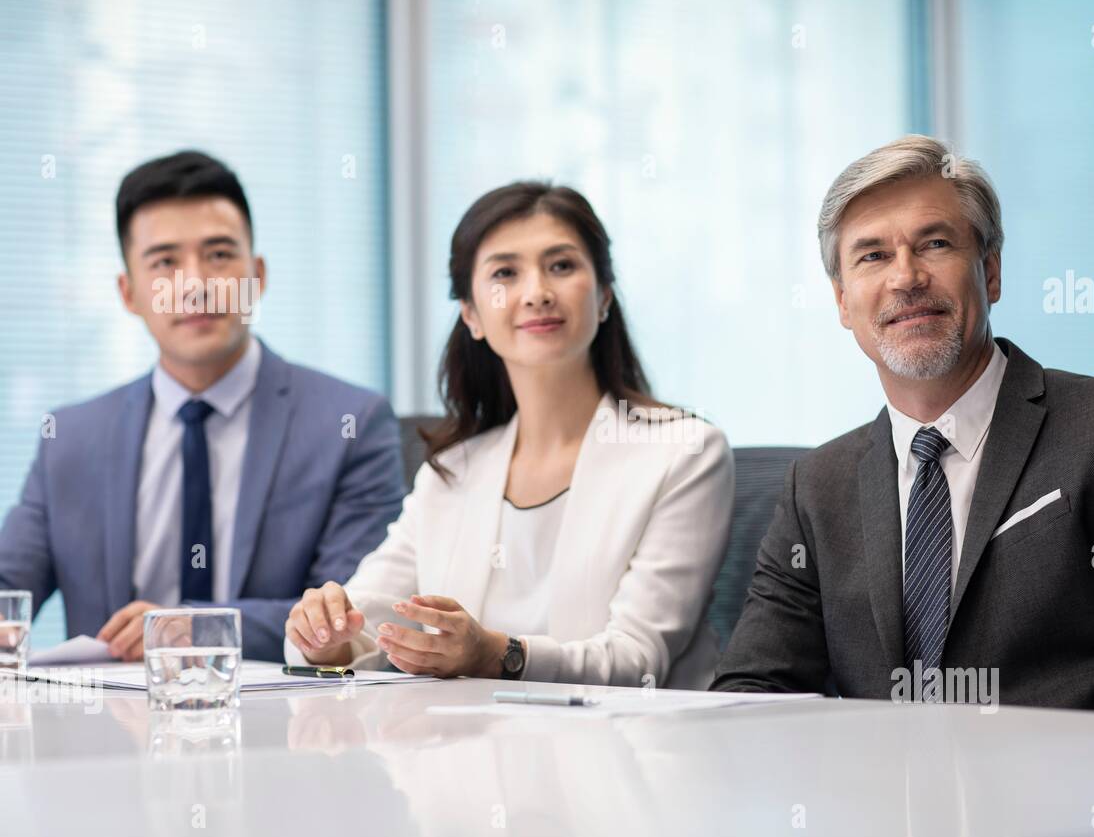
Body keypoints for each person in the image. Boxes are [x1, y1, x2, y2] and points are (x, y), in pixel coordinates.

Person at [712, 135, 1094, 715]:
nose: (905, 277)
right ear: (843, 301)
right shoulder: (817, 488)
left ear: (990, 272)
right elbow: (753, 693)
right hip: (882, 802)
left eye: (935, 243)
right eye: (873, 256)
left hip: (1073, 798)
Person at [285, 182, 734, 688]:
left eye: (562, 266)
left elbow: (637, 661)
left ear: (605, 296)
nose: (537, 292)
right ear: (472, 314)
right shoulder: (452, 471)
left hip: (627, 752)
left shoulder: (683, 454)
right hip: (474, 754)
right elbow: (363, 626)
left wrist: (497, 654)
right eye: (505, 273)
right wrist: (326, 631)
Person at [0, 151, 405, 662]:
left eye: (218, 255)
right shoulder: (72, 435)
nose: (194, 285)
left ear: (256, 276)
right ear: (128, 292)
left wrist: (194, 628)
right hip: (104, 731)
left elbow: (353, 611)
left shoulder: (351, 425)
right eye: (165, 262)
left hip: (289, 727)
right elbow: (8, 587)